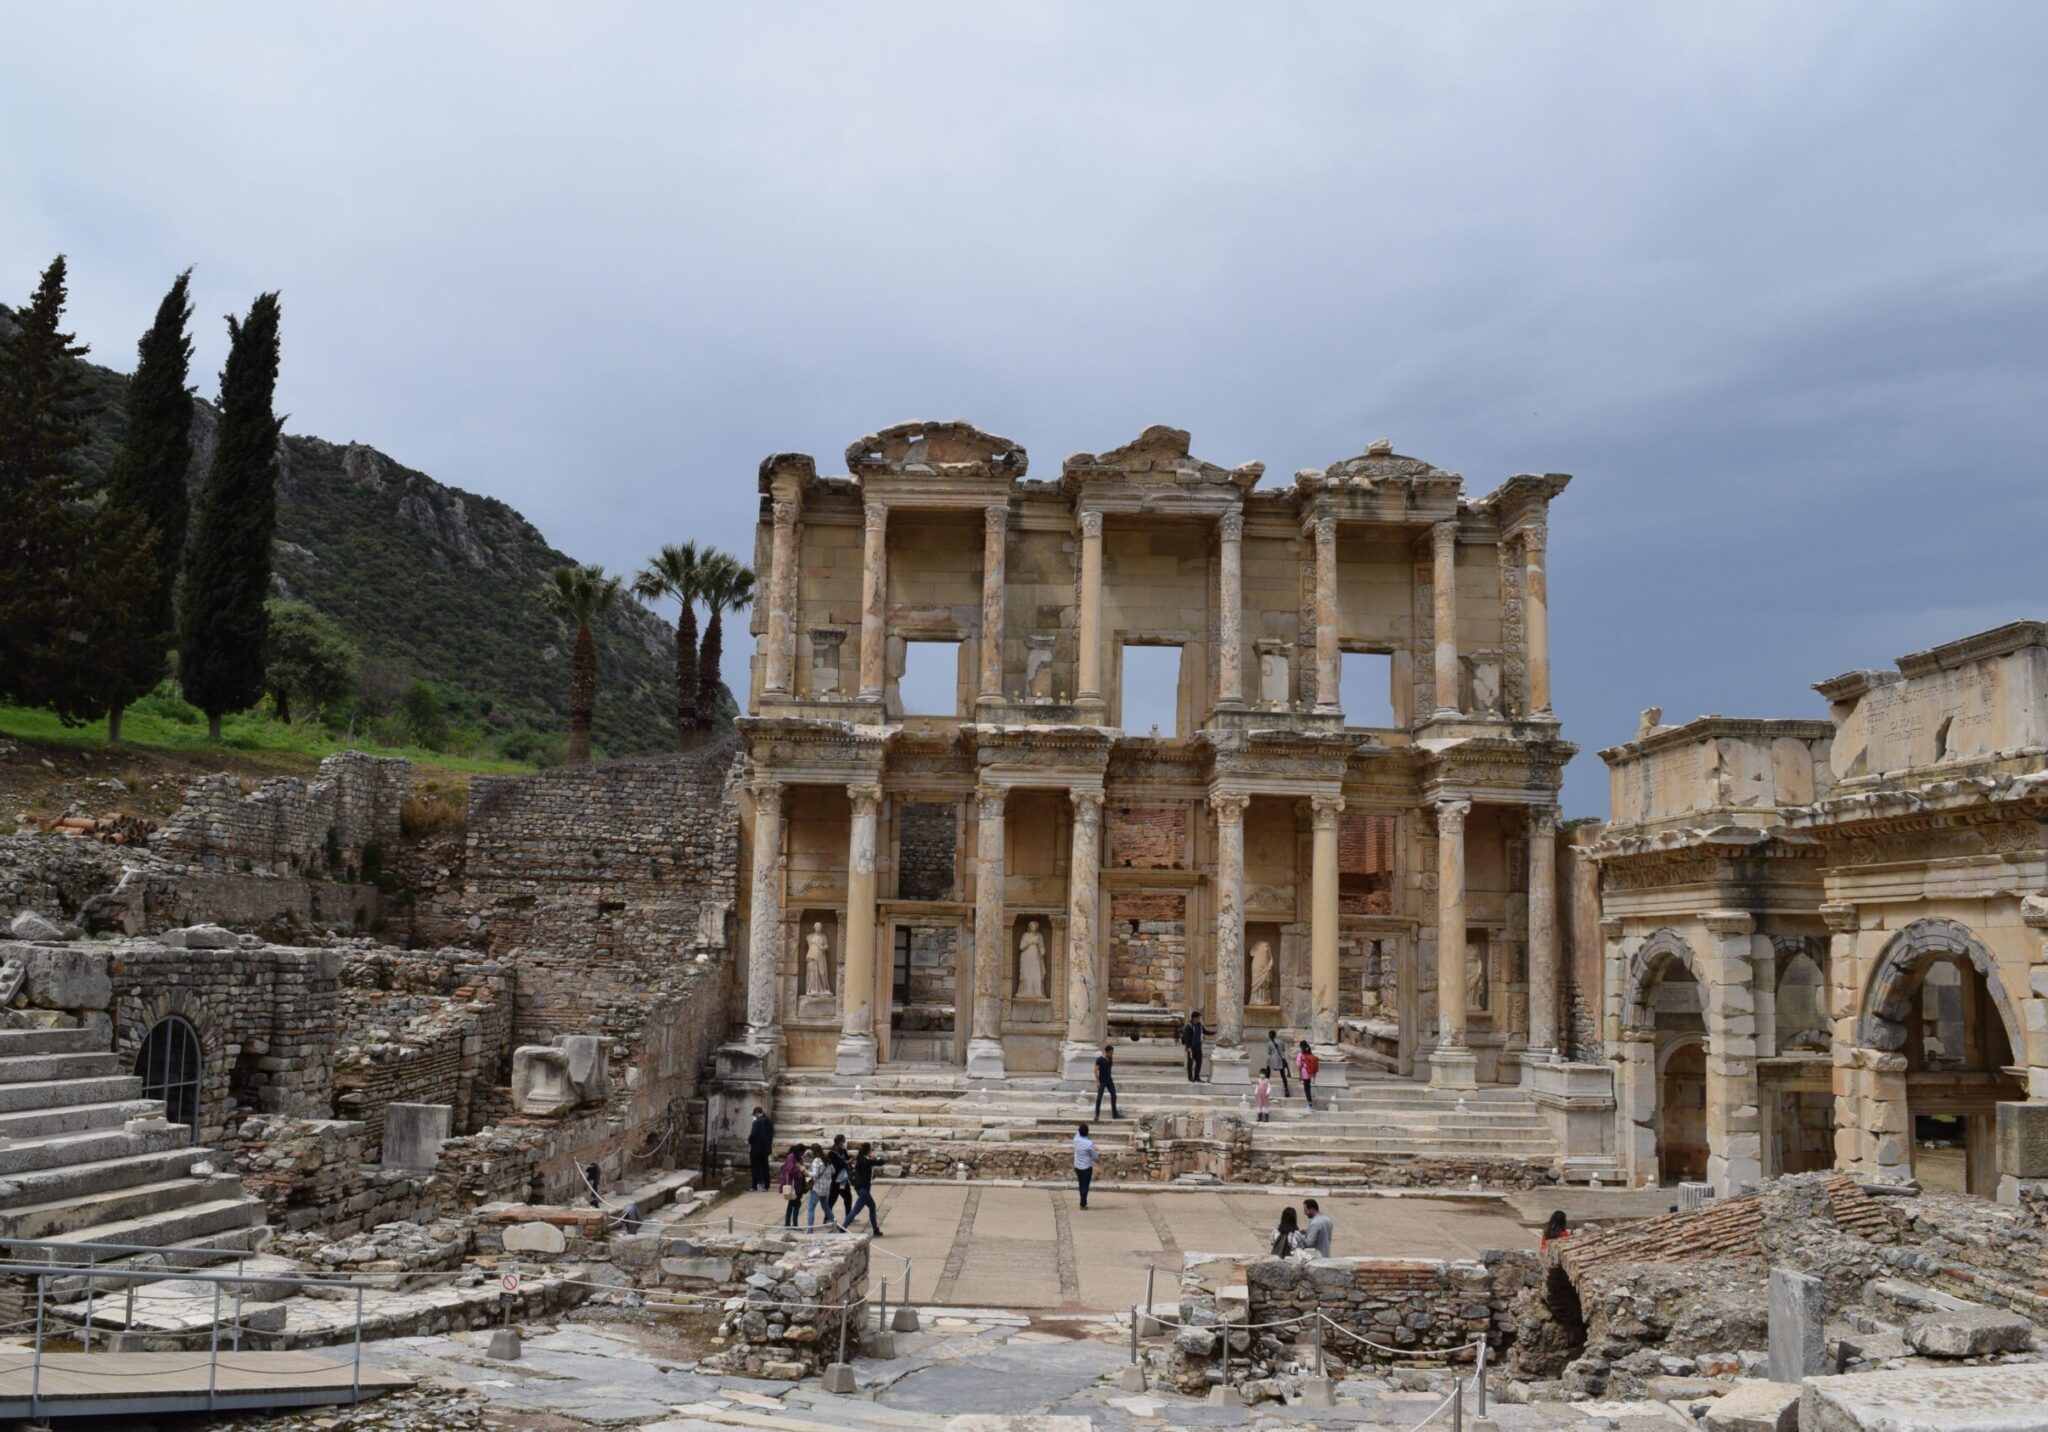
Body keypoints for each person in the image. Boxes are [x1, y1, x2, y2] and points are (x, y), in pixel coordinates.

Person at [842, 1142, 883, 1235]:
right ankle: (843, 1227)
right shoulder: (866, 1161)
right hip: (864, 1190)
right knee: (856, 1210)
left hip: (861, 1188)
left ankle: (875, 1229)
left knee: (872, 1207)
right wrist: (876, 1157)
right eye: (870, 1149)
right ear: (868, 1151)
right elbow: (881, 1162)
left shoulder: (861, 1159)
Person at [747, 1105, 775, 1192]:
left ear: (757, 1113)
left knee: (755, 1167)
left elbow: (753, 1135)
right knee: (765, 1167)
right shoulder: (769, 1122)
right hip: (765, 1149)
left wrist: (749, 1141)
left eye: (755, 1115)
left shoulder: (757, 1122)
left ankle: (754, 1185)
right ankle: (766, 1185)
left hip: (756, 1149)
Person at [827, 1134, 855, 1221]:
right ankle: (827, 1217)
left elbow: (846, 1159)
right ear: (839, 1142)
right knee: (832, 1200)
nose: (844, 1143)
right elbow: (838, 1165)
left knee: (848, 1197)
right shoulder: (831, 1154)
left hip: (843, 1179)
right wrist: (848, 1161)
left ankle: (848, 1216)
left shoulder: (843, 1151)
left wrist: (850, 1161)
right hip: (836, 1180)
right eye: (843, 1141)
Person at [780, 1144, 807, 1228]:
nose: (802, 1154)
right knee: (796, 1204)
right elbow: (791, 1170)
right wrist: (801, 1169)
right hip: (793, 1185)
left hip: (797, 1185)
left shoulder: (795, 1157)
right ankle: (794, 1224)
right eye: (802, 1152)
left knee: (792, 1204)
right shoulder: (791, 1157)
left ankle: (788, 1223)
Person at [805, 1145, 831, 1230]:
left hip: (817, 1187)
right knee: (826, 1207)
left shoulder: (816, 1160)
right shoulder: (826, 1160)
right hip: (826, 1187)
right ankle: (834, 1223)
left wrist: (806, 1172)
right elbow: (833, 1171)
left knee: (811, 1208)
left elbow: (815, 1174)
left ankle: (810, 1230)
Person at [1073, 1122, 1098, 1209]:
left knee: (1081, 1184)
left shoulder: (1076, 1139)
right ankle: (1083, 1203)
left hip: (1077, 1166)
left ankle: (1083, 1200)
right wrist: (1097, 1159)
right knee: (1085, 1185)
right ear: (1087, 1132)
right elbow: (1095, 1156)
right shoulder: (1089, 1143)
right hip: (1086, 1167)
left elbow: (1078, 1132)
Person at [1095, 1043, 1121, 1119]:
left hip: (1109, 1080)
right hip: (1102, 1080)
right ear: (1106, 1052)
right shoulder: (1099, 1059)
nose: (1112, 1054)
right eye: (1110, 1053)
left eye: (1112, 1053)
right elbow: (1095, 1070)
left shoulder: (1110, 1058)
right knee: (1099, 1097)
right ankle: (1097, 1115)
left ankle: (1114, 1114)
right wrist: (1097, 1081)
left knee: (1114, 1095)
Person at [1265, 1030, 1292, 1097]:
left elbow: (1269, 1052)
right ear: (1275, 1035)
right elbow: (1283, 1050)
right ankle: (1286, 1089)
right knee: (1283, 1075)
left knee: (1268, 1072)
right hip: (1281, 1059)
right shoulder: (1281, 1041)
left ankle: (1265, 1085)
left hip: (1273, 1060)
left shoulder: (1269, 1043)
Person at [1182, 1011, 1206, 1082]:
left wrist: (1215, 1032)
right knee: (1190, 1062)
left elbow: (1206, 1032)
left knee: (1199, 1062)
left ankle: (1196, 1076)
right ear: (1194, 1018)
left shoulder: (1200, 1026)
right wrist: (1188, 1047)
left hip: (1198, 1047)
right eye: (1198, 1018)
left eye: (1199, 1018)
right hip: (1191, 1047)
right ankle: (1190, 1077)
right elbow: (1186, 1037)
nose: (1199, 1019)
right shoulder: (1189, 1026)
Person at [1297, 1039, 1319, 1111]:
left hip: (1304, 1073)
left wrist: (1300, 1075)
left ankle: (1310, 1105)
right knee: (1308, 1088)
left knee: (1306, 1089)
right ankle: (1310, 1105)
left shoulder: (1300, 1054)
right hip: (1310, 1073)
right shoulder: (1310, 1053)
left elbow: (1299, 1065)